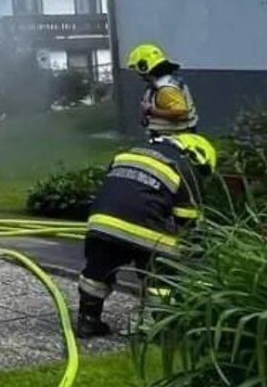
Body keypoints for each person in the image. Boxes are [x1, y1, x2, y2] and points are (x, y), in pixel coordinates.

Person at [75, 69, 219, 338]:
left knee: (97, 272)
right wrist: (196, 253)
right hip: (146, 227)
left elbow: (114, 188)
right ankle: (151, 324)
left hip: (100, 223)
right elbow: (186, 222)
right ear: (202, 159)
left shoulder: (132, 153)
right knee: (163, 272)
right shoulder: (187, 168)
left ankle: (87, 320)